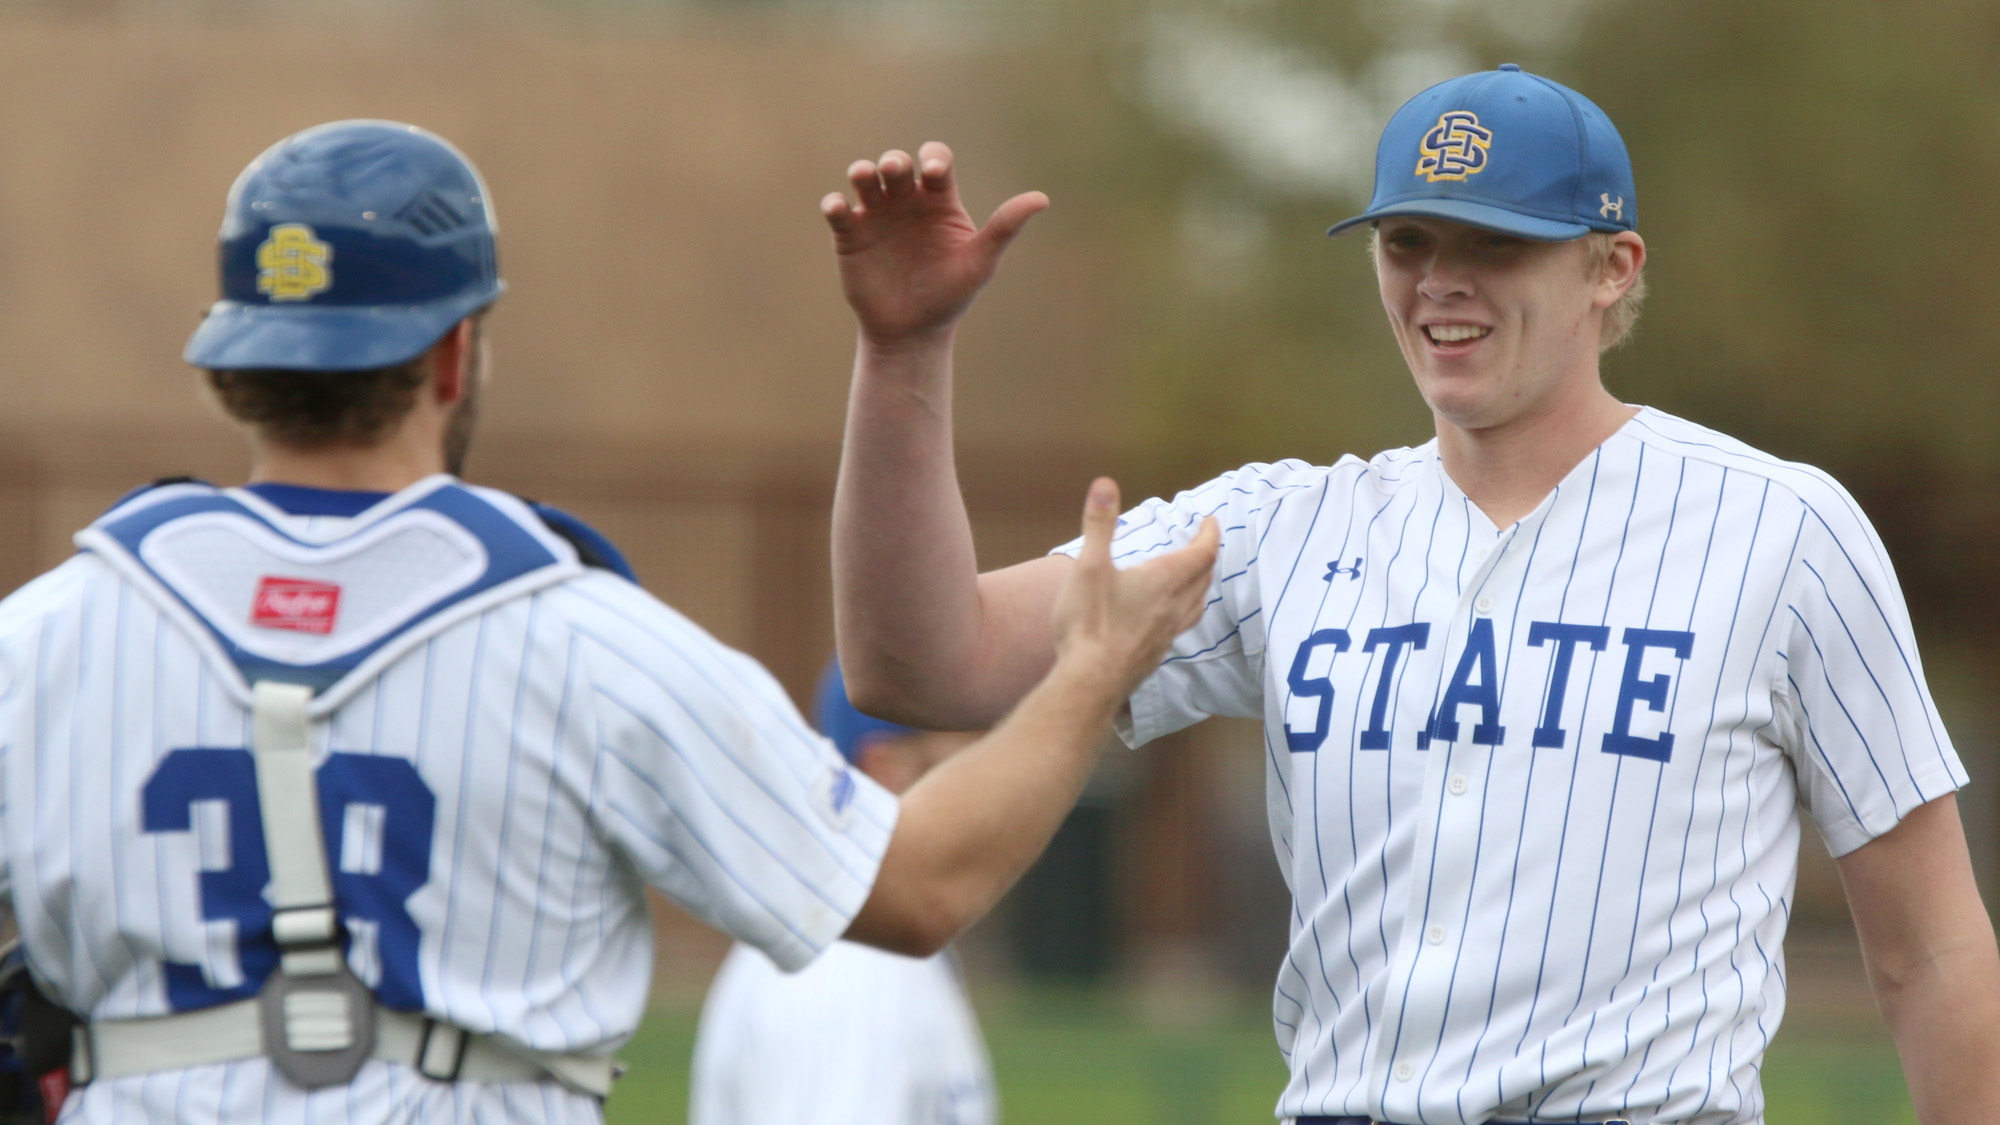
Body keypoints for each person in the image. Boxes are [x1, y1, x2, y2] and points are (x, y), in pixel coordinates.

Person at [821, 65, 2000, 1124]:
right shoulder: (1277, 529)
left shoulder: (1779, 530)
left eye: (1493, 244)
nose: (1440, 283)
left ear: (1609, 266)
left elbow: (1931, 951)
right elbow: (924, 665)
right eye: (1406, 242)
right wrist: (904, 354)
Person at [0, 119, 1218, 1123]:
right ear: (453, 353)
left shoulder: (43, 638)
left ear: (230, 361)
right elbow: (916, 888)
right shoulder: (586, 642)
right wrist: (1088, 669)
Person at [690, 660, 997, 1125]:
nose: (994, 799)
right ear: (884, 768)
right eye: (962, 767)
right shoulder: (846, 971)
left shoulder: (873, 937)